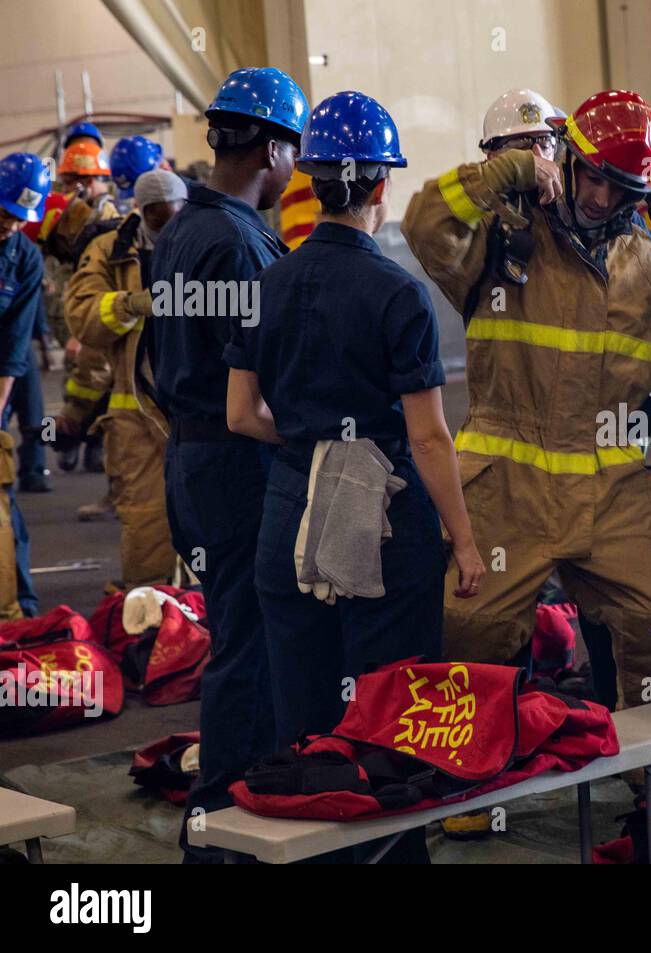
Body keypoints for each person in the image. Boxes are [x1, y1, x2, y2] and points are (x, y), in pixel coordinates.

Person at [402, 89, 651, 718]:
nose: (599, 199)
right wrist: (508, 168)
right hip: (506, 489)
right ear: (566, 158)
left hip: (610, 489)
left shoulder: (650, 266)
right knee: (468, 633)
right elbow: (425, 222)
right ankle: (472, 796)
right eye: (592, 177)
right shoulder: (501, 240)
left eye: (620, 190)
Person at [226, 90, 483, 864]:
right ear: (382, 186)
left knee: (304, 723)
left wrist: (308, 446)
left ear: (309, 179)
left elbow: (241, 415)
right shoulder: (398, 292)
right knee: (390, 720)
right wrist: (465, 541)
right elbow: (430, 438)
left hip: (288, 518)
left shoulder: (267, 281)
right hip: (381, 522)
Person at [149, 66, 308, 863]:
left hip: (188, 453)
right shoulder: (241, 244)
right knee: (250, 637)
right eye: (295, 151)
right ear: (273, 147)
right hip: (235, 459)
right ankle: (218, 821)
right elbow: (264, 380)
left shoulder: (178, 229)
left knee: (235, 627)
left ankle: (235, 803)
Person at [63, 169, 184, 590]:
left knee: (215, 518)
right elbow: (83, 317)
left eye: (175, 218)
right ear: (144, 211)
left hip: (200, 411)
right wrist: (131, 304)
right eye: (158, 218)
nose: (167, 228)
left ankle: (201, 619)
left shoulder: (206, 242)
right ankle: (149, 622)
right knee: (148, 518)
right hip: (135, 413)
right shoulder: (110, 250)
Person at [0, 153, 52, 617]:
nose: (11, 227)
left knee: (2, 495)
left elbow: (14, 348)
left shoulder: (25, 259)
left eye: (20, 220)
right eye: (3, 215)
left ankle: (19, 606)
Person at [46, 141, 117, 480]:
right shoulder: (77, 213)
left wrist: (81, 331)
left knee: (96, 386)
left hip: (93, 324)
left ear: (83, 181)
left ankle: (85, 442)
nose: (64, 189)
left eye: (69, 181)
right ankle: (68, 440)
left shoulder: (104, 221)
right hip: (75, 319)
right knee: (78, 384)